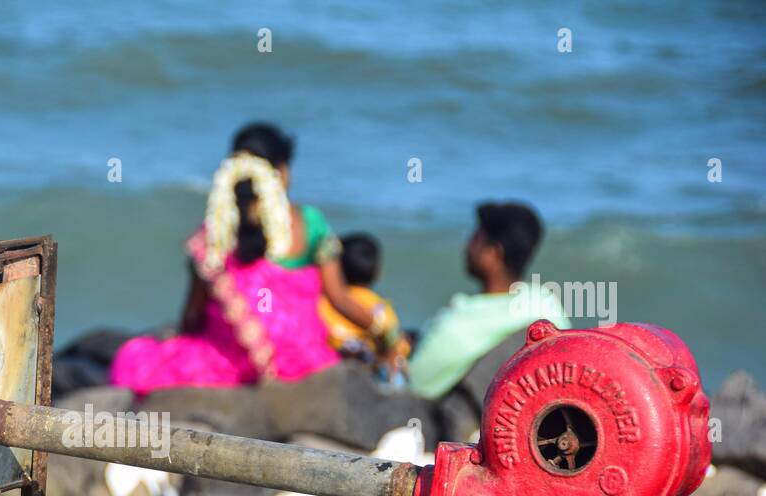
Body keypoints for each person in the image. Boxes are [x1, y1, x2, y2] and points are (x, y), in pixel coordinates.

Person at [109, 123, 381, 397]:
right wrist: (386, 333)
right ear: (282, 172)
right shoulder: (310, 223)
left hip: (233, 361)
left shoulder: (215, 232)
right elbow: (339, 298)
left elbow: (192, 317)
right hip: (306, 359)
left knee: (134, 357)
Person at [409, 201, 569, 401]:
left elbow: (416, 383)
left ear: (493, 253)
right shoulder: (545, 303)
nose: (467, 246)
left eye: (476, 238)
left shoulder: (459, 323)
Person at [318, 232, 408, 369]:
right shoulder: (380, 309)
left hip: (330, 363)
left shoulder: (323, 301)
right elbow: (397, 346)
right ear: (378, 272)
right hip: (365, 370)